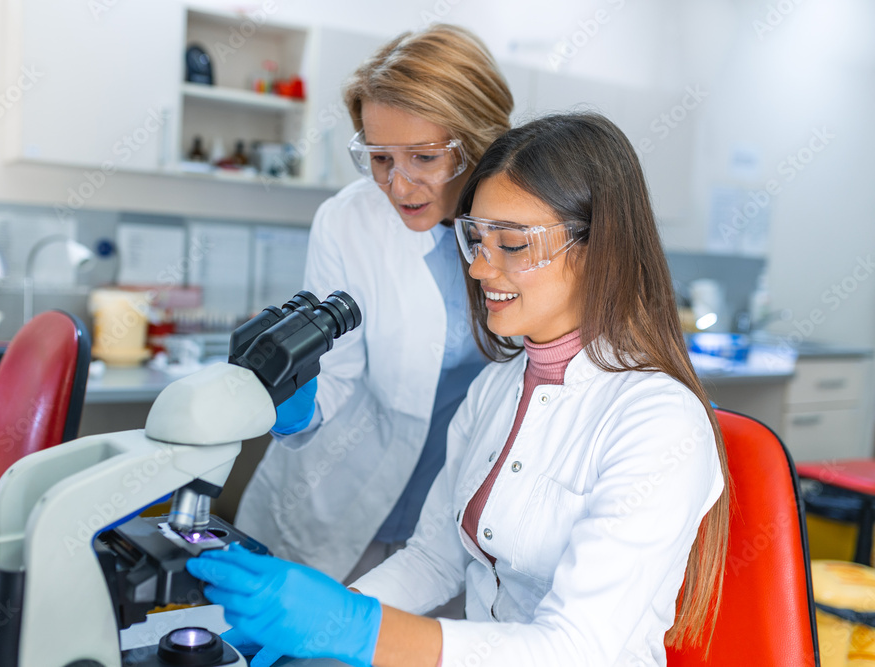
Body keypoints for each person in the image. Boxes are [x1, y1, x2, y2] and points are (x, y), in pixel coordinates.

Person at [189, 112, 731, 667]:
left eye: (512, 244)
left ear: (600, 250)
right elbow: (434, 560)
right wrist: (321, 618)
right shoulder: (496, 387)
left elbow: (577, 648)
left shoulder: (659, 422)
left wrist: (357, 629)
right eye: (476, 239)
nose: (479, 269)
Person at [234, 24, 514, 586]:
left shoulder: (524, 226)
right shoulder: (349, 220)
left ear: (479, 143)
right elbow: (335, 373)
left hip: (455, 520)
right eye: (380, 157)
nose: (398, 185)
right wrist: (294, 400)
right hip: (339, 505)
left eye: (424, 157)